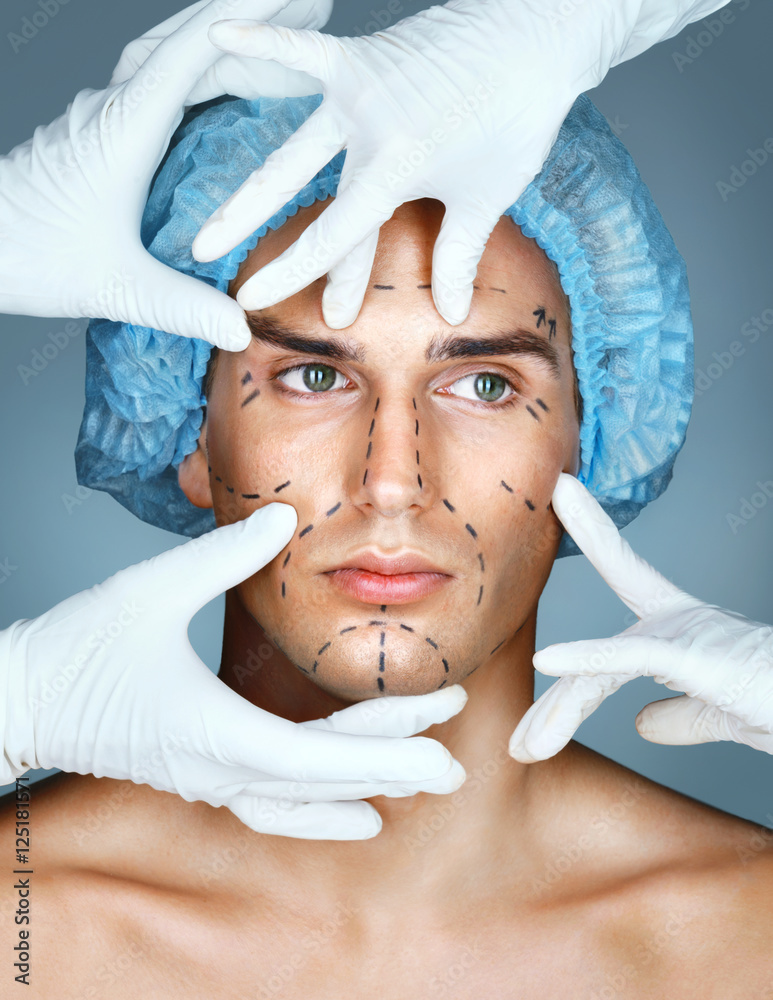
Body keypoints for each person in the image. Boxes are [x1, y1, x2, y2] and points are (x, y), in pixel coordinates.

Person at [4, 92, 772, 996]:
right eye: (313, 375)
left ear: (589, 437)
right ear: (188, 433)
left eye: (485, 385)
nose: (393, 481)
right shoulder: (23, 920)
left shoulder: (746, 934)